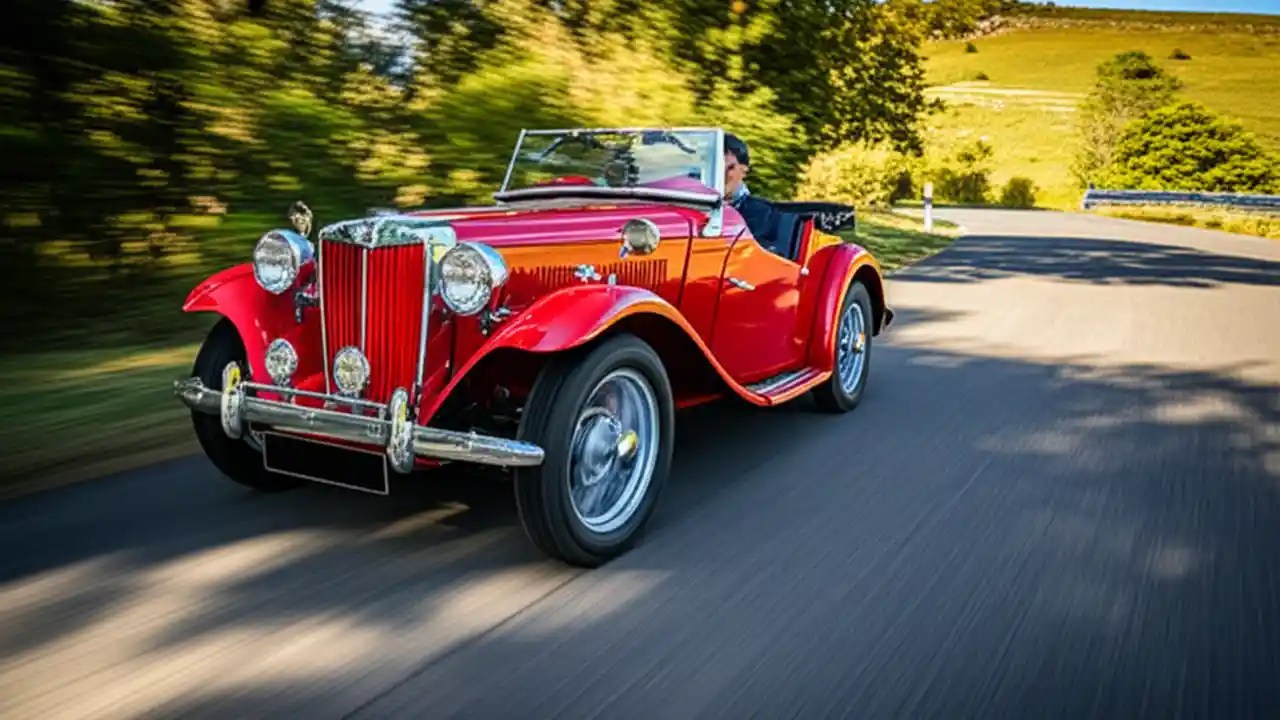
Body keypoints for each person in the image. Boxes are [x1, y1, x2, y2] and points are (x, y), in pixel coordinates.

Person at [723, 133, 782, 254]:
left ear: (743, 171)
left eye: (729, 167)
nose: (720, 173)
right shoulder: (690, 207)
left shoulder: (763, 215)